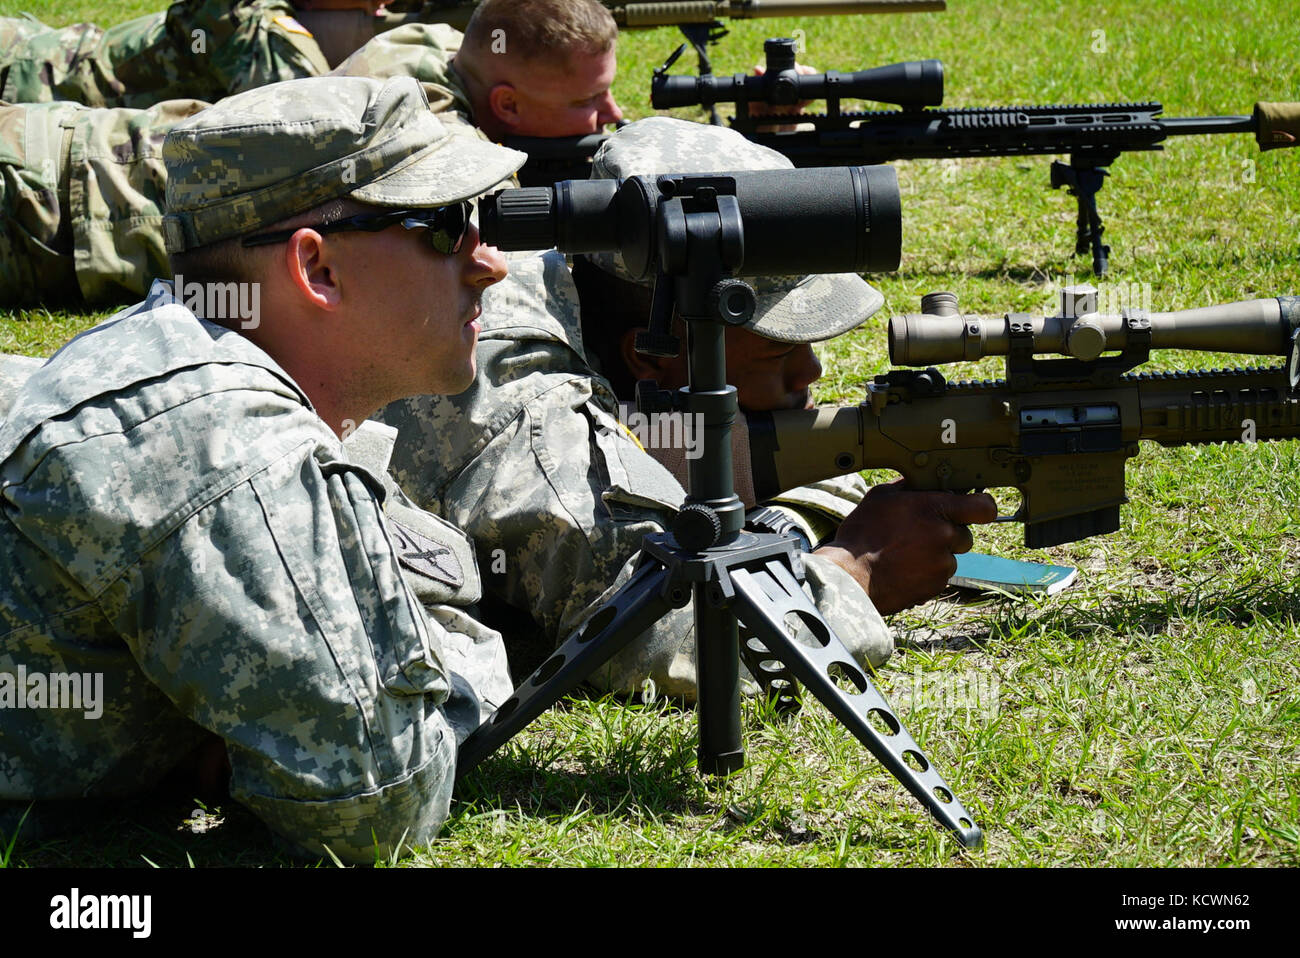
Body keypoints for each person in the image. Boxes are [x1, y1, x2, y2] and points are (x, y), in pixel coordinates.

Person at [0, 75, 521, 864]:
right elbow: (372, 802)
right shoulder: (222, 446)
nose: (488, 264)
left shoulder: (200, 367)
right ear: (317, 270)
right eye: (446, 227)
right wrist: (465, 669)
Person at [376, 117, 998, 696]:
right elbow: (662, 636)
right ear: (650, 356)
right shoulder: (524, 404)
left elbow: (682, 450)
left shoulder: (572, 283)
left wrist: (789, 511)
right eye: (777, 356)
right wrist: (858, 572)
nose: (812, 372)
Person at [0, 1, 387, 108]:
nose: (382, 5)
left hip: (40, 56)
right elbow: (309, 115)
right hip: (28, 77)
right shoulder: (241, 23)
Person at [331, 0, 624, 140]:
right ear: (508, 105)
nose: (615, 113)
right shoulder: (429, 133)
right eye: (586, 101)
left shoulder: (455, 49)